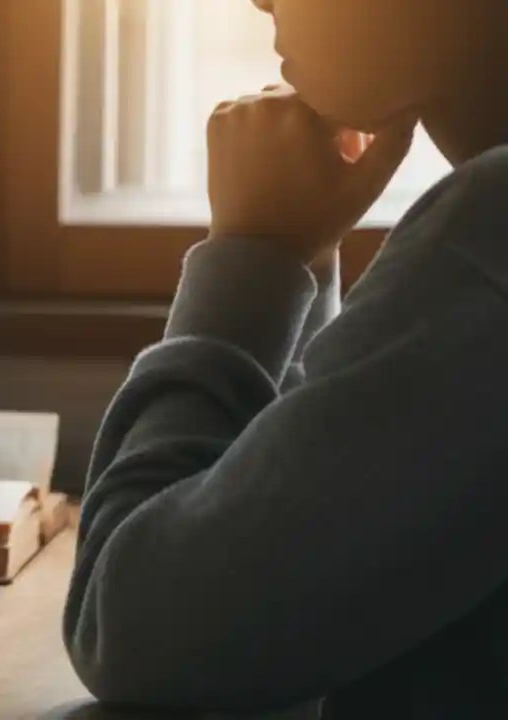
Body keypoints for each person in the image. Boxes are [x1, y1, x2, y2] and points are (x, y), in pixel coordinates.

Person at [64, 0, 508, 717]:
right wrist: (299, 245)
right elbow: (298, 568)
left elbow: (130, 630)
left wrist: (254, 258)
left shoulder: (491, 233)